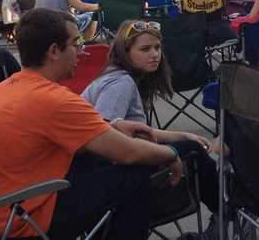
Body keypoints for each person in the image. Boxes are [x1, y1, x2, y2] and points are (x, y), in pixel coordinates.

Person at [0, 9, 192, 240]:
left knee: (98, 163)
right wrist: (170, 154)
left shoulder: (9, 86)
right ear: (54, 51)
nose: (82, 51)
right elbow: (129, 153)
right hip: (17, 219)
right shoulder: (54, 99)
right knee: (133, 175)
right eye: (76, 43)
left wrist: (114, 126)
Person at [82, 20, 220, 233]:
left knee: (188, 144)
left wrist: (182, 135)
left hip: (106, 168)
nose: (155, 54)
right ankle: (226, 209)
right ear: (125, 52)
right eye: (145, 49)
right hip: (113, 174)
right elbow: (102, 129)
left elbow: (133, 129)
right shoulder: (120, 84)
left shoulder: (116, 77)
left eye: (157, 47)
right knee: (193, 153)